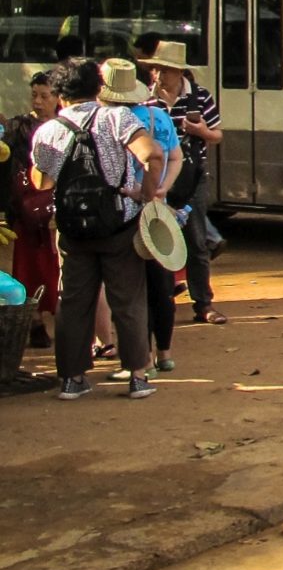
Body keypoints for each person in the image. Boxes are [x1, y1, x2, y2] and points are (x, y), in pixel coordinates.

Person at [32, 56, 167, 400]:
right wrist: (145, 193)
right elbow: (152, 155)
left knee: (73, 302)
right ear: (98, 87)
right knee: (128, 299)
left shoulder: (47, 131)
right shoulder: (115, 117)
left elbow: (42, 183)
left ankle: (72, 379)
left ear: (60, 93)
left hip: (73, 230)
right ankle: (138, 375)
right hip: (117, 222)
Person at [100, 58, 184, 378]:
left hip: (128, 211)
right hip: (159, 211)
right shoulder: (158, 115)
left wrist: (141, 190)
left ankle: (141, 360)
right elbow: (175, 157)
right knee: (162, 286)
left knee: (132, 291)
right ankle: (165, 353)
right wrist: (162, 189)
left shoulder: (113, 121)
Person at [137, 38, 227, 319]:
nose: (159, 75)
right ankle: (164, 301)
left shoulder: (200, 96)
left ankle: (203, 303)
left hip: (191, 177)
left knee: (197, 240)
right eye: (156, 70)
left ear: (180, 73)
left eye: (165, 70)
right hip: (156, 177)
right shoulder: (147, 101)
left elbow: (217, 134)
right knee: (158, 240)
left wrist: (200, 131)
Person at [5, 71, 61, 348]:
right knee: (28, 268)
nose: (38, 102)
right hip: (27, 214)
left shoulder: (68, 126)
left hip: (60, 212)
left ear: (58, 97)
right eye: (34, 95)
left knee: (58, 269)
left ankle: (65, 323)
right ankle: (35, 321)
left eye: (44, 96)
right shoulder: (19, 128)